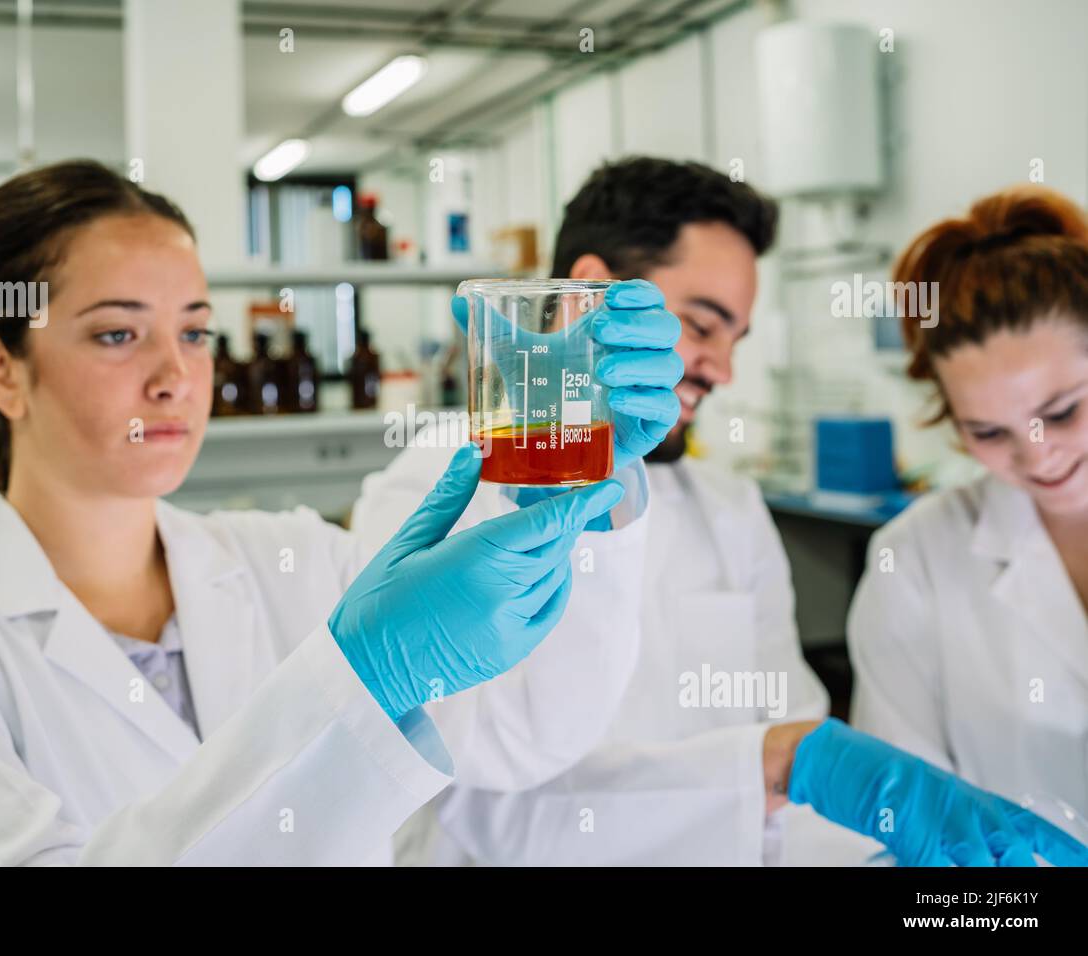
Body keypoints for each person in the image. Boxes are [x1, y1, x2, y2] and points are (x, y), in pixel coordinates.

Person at [0, 160, 684, 866]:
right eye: (118, 333)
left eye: (193, 331)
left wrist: (594, 491)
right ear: (1, 370)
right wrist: (358, 684)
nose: (173, 374)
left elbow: (525, 742)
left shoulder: (292, 559)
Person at [353, 158, 1088, 867]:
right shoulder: (441, 491)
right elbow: (482, 799)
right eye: (703, 326)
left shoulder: (729, 511)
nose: (724, 370)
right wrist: (778, 765)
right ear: (592, 292)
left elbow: (797, 776)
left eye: (734, 339)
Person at [849, 185, 1088, 835]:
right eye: (988, 432)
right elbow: (903, 815)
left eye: (1062, 411)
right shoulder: (918, 558)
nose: (1038, 459)